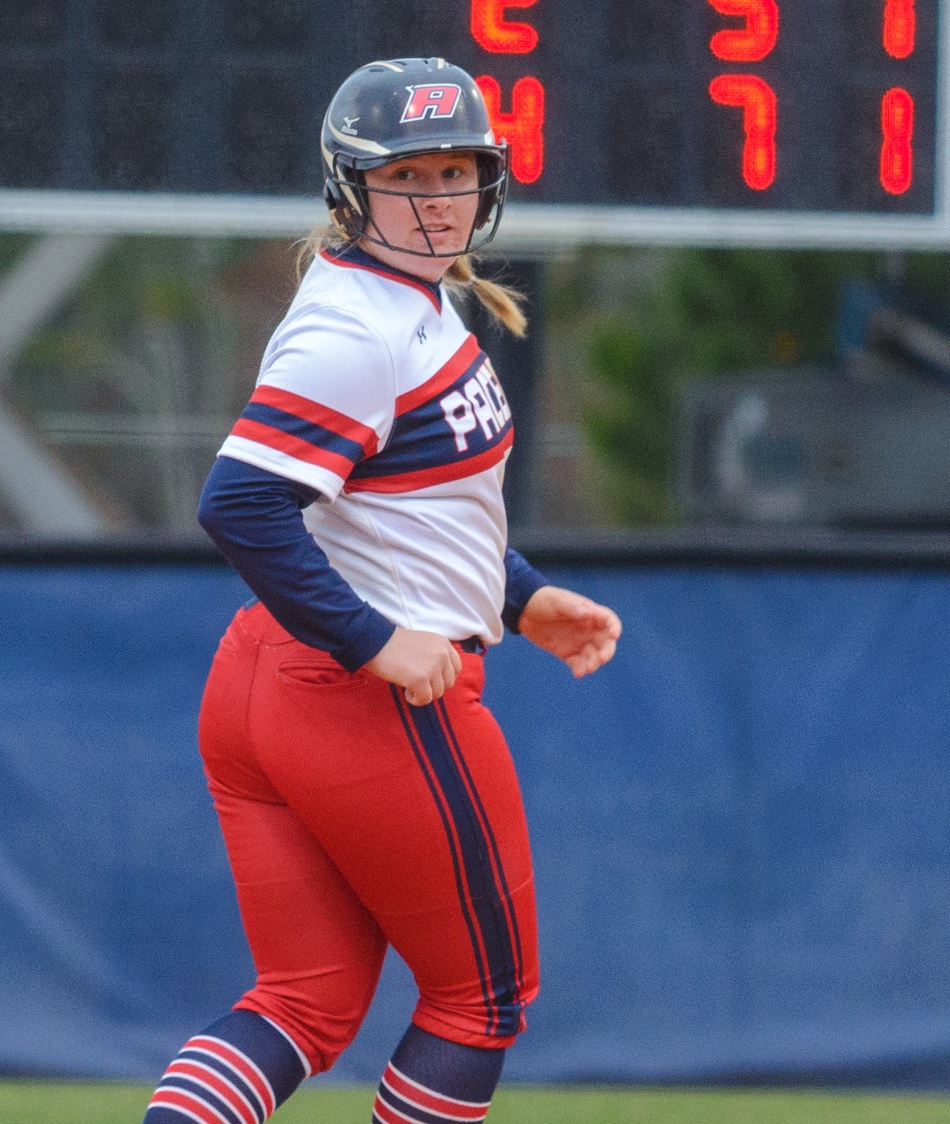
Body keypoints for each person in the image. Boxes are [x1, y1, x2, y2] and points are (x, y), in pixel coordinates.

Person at [139, 57, 622, 1124]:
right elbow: (239, 504)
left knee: (303, 1001)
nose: (440, 195)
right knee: (482, 997)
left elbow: (400, 508)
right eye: (410, 174)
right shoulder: (357, 326)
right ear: (350, 187)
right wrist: (370, 641)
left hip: (270, 674)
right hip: (354, 694)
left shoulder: (402, 305)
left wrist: (519, 593)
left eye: (457, 169)